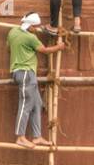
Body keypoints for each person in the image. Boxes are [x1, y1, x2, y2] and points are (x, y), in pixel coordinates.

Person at [7, 12, 65, 149]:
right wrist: (59, 47)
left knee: (37, 103)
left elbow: (7, 47)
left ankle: (37, 136)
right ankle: (20, 137)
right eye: (35, 26)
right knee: (25, 105)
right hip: (26, 73)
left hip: (22, 72)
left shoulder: (13, 32)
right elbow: (44, 50)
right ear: (30, 26)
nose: (37, 29)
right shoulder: (30, 38)